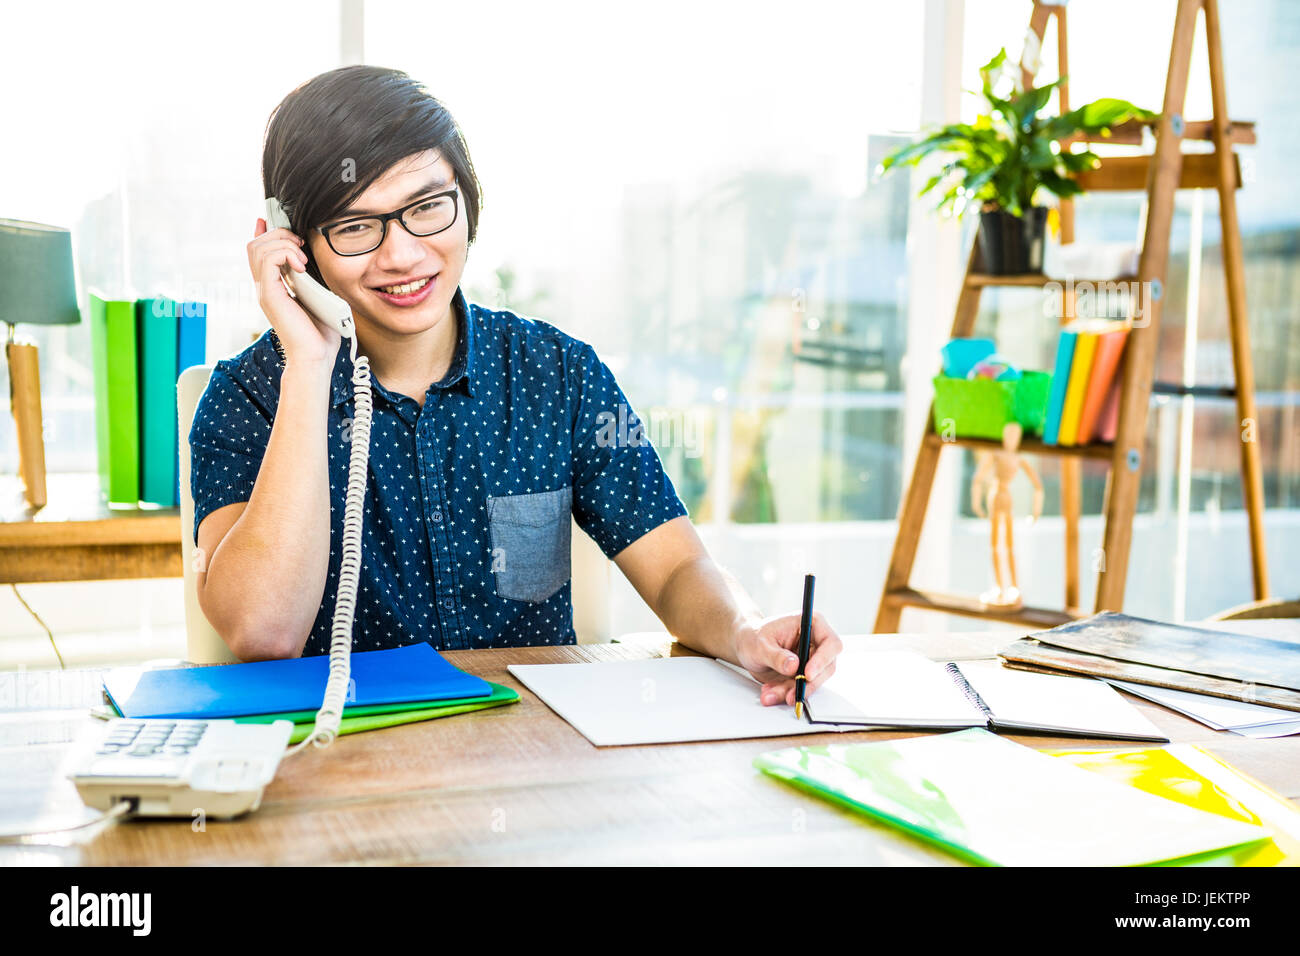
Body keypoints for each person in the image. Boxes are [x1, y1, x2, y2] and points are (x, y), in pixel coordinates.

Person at [190, 65, 842, 707]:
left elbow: (675, 569)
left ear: (467, 202)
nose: (402, 255)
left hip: (536, 755)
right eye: (356, 226)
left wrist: (745, 629)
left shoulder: (559, 374)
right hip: (346, 771)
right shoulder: (247, 398)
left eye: (427, 208)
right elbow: (263, 631)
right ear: (293, 243)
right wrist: (308, 365)